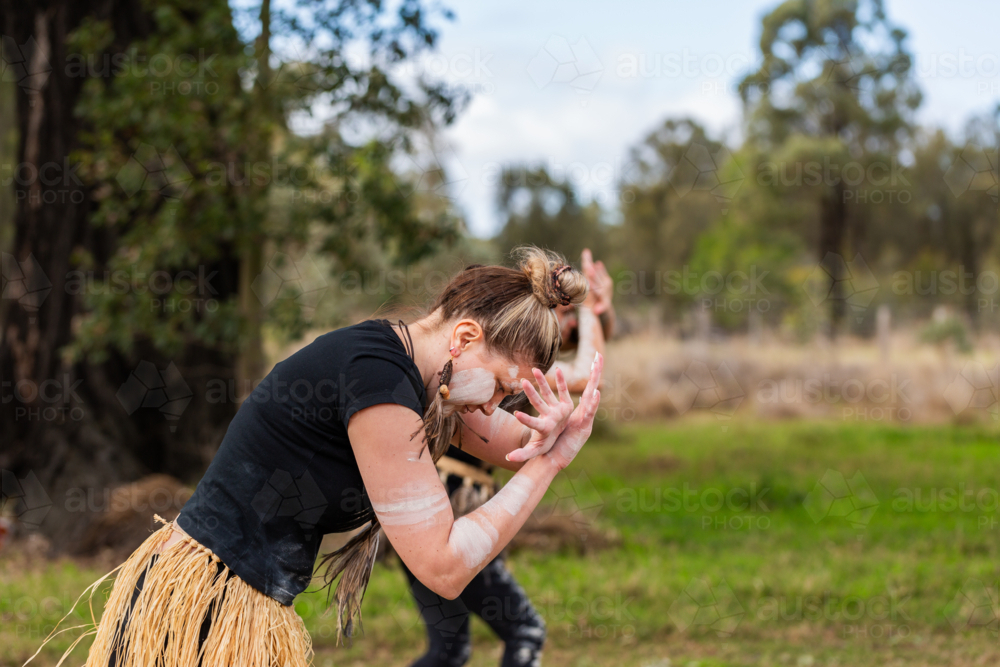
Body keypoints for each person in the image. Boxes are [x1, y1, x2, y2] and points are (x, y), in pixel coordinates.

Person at [30, 246, 604, 667]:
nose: (501, 404)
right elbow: (443, 566)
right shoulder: (379, 382)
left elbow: (515, 443)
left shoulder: (411, 372)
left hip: (241, 605)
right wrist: (551, 461)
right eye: (503, 386)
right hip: (205, 614)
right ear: (463, 338)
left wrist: (553, 430)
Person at [399, 248, 615, 667]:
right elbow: (590, 372)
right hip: (456, 508)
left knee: (449, 650)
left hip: (422, 514)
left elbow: (586, 363)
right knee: (524, 630)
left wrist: (595, 312)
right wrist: (591, 310)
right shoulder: (512, 369)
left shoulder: (500, 366)